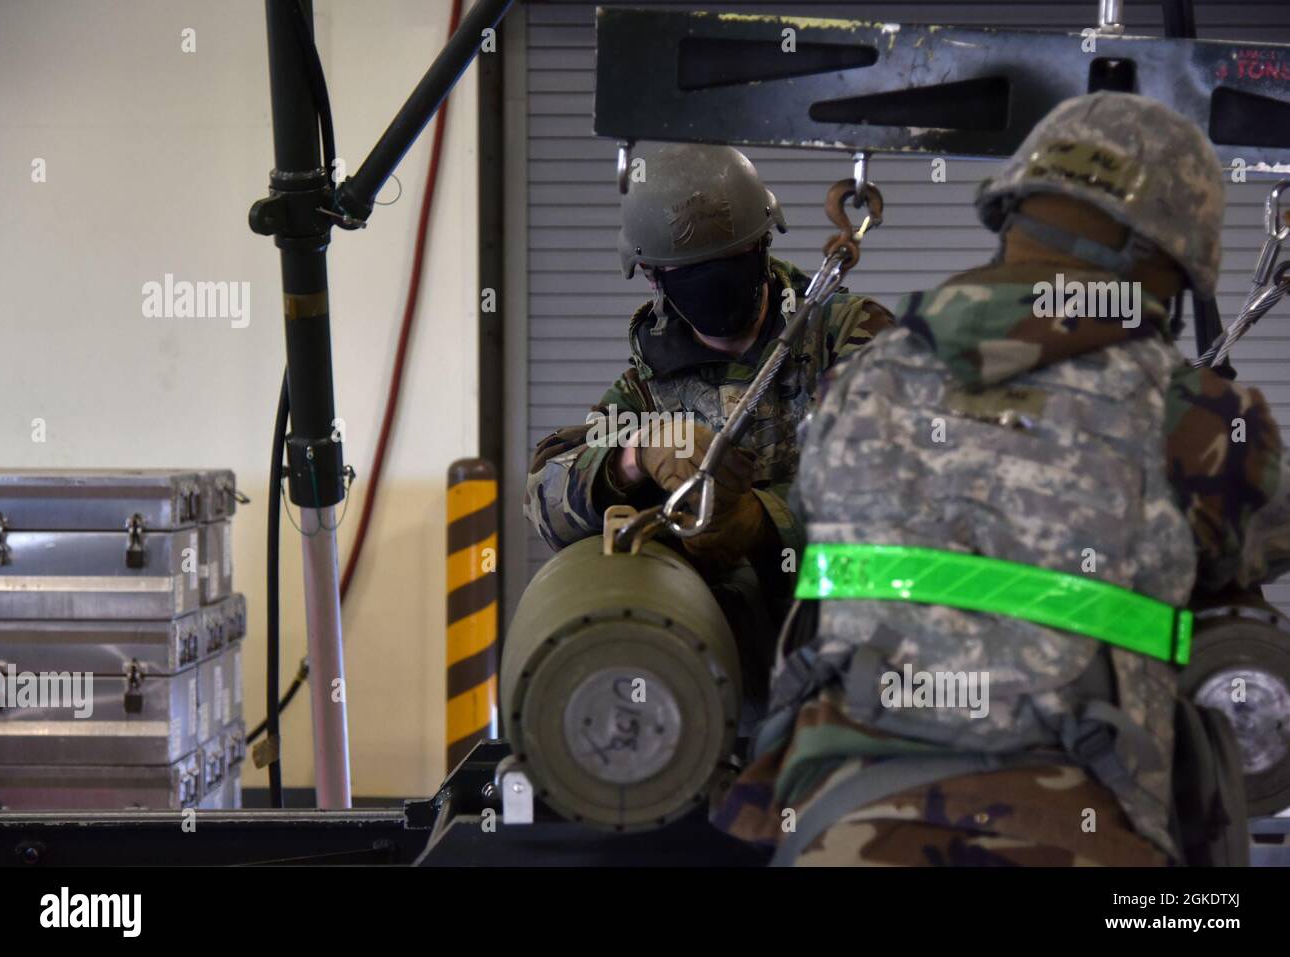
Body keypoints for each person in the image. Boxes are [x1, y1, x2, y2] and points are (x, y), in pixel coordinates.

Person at [715, 92, 1290, 865]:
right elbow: (1260, 545)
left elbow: (827, 514)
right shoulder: (1194, 418)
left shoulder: (863, 383)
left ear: (1012, 220)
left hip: (835, 828)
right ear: (1167, 258)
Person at [524, 143, 895, 708]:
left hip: (863, 684)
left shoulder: (846, 336)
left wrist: (764, 522)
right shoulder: (648, 390)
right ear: (652, 277)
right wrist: (634, 456)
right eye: (689, 273)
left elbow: (899, 489)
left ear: (764, 245)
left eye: (734, 258)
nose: (715, 285)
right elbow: (547, 505)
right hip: (724, 697)